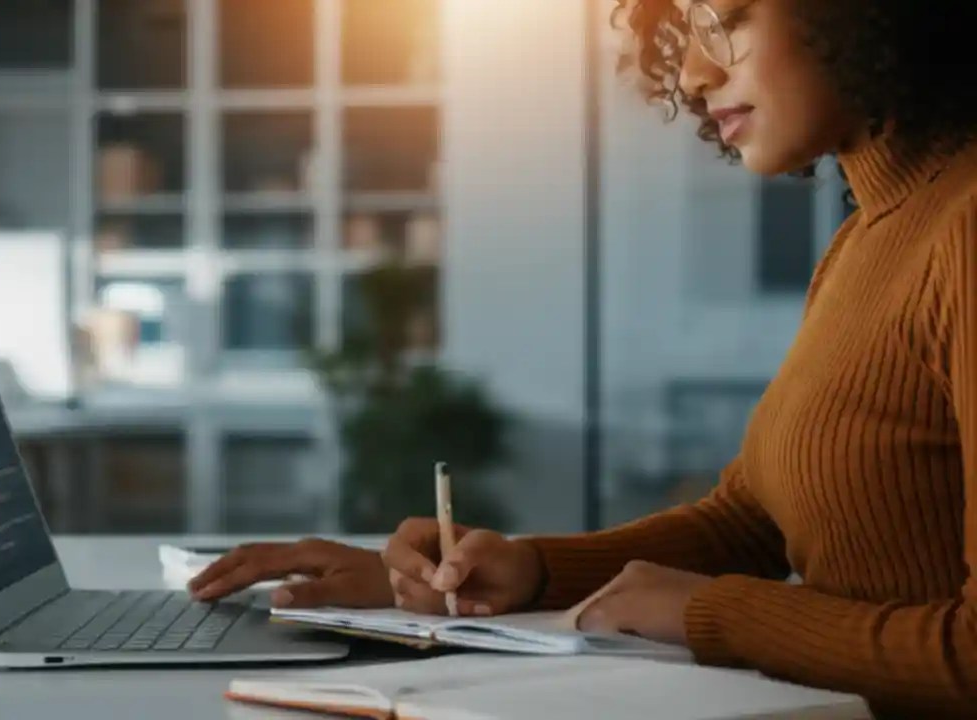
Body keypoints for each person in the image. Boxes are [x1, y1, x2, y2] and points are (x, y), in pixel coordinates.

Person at [189, 0, 977, 716]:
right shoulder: (868, 237)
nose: (697, 75)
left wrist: (710, 614)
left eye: (729, 20)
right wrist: (525, 572)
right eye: (688, 36)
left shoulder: (965, 227)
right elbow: (753, 522)